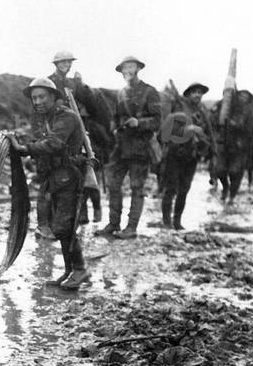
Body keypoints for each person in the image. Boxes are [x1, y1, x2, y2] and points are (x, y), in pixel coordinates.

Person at [9, 77, 90, 289]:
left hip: (68, 177)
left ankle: (80, 269)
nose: (37, 101)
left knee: (64, 225)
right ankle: (69, 270)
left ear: (53, 96)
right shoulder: (42, 118)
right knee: (57, 226)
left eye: (42, 97)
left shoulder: (67, 116)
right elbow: (41, 143)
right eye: (34, 98)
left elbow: (55, 143)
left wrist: (25, 149)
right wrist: (26, 145)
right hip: (52, 177)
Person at [98, 56, 162, 239]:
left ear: (138, 69)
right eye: (124, 68)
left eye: (131, 67)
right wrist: (113, 126)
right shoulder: (121, 93)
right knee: (113, 183)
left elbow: (158, 121)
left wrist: (139, 122)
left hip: (140, 146)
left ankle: (131, 227)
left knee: (136, 187)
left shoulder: (149, 92)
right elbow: (116, 116)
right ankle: (113, 223)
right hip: (121, 145)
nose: (127, 71)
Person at [46, 51, 112, 226]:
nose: (66, 65)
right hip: (58, 130)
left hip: (76, 131)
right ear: (56, 64)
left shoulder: (73, 83)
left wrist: (81, 84)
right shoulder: (49, 82)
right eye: (62, 62)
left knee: (82, 171)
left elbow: (91, 102)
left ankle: (83, 213)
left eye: (68, 62)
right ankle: (55, 220)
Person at [158, 82, 211, 230]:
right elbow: (168, 131)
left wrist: (205, 146)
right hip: (175, 152)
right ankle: (166, 222)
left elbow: (208, 133)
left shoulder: (202, 111)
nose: (198, 95)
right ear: (188, 94)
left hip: (192, 155)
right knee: (170, 188)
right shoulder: (178, 107)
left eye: (200, 92)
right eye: (195, 92)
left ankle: (177, 221)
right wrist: (189, 129)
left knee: (184, 189)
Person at [217, 89, 253, 203]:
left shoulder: (250, 115)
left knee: (235, 173)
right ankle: (225, 187)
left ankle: (232, 196)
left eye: (245, 97)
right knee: (220, 170)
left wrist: (238, 126)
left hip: (240, 148)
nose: (242, 98)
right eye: (240, 96)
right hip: (225, 145)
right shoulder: (228, 110)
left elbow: (251, 132)